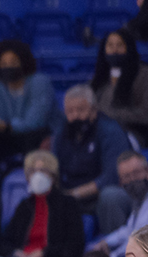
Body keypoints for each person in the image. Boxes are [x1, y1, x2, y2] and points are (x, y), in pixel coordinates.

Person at [54, 85, 132, 216]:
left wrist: (74, 194)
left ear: (94, 111)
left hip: (100, 196)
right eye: (70, 111)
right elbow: (54, 168)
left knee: (110, 195)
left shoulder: (110, 131)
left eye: (80, 110)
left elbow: (112, 176)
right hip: (69, 195)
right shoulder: (61, 133)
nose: (75, 116)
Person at [0, 39, 54, 171]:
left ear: (24, 62)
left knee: (34, 135)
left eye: (13, 62)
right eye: (3, 64)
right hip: (11, 133)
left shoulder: (40, 82)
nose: (8, 67)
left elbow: (36, 121)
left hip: (38, 135)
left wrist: (6, 125)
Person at [92, 28, 148, 147]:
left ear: (129, 47)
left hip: (136, 133)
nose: (115, 50)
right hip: (100, 135)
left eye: (120, 45)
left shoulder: (145, 75)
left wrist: (115, 115)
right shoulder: (98, 79)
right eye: (110, 45)